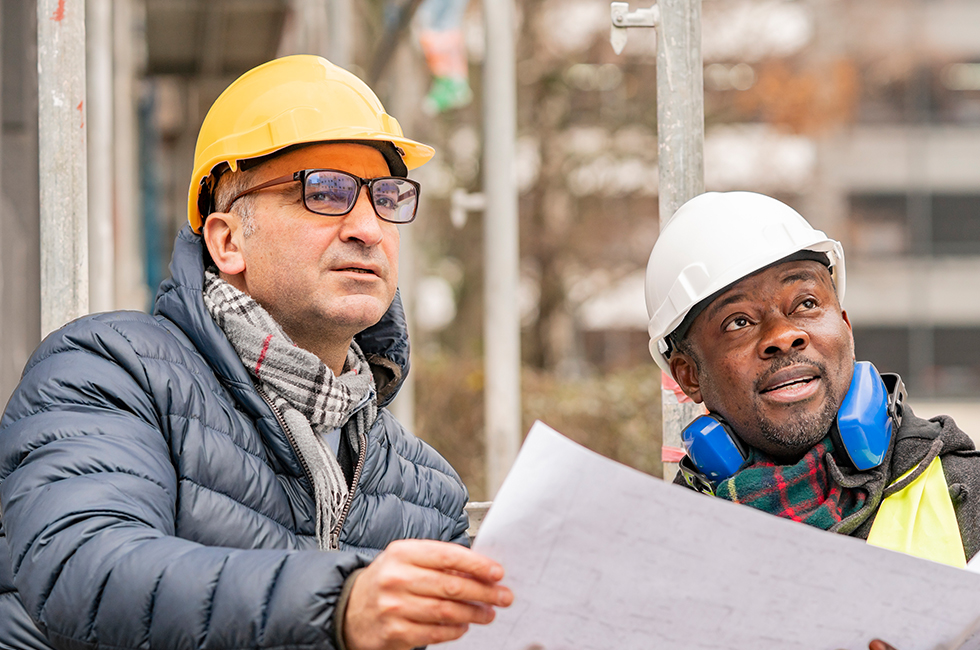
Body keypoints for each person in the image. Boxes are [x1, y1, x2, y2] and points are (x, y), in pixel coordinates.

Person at [0, 55, 511, 650]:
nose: (367, 228)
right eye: (325, 191)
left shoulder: (423, 487)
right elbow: (85, 568)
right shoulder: (108, 372)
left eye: (386, 197)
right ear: (227, 240)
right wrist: (340, 603)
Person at [644, 191, 980, 568]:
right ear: (689, 375)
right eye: (738, 322)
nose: (784, 336)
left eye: (806, 303)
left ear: (845, 327)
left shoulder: (968, 493)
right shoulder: (663, 552)